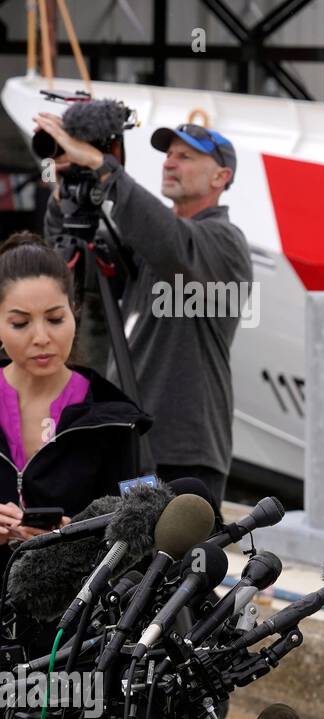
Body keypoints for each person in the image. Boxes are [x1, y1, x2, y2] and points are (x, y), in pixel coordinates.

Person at [36, 112, 251, 507]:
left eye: (186, 157)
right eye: (169, 154)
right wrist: (63, 190)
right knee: (132, 562)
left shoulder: (224, 243)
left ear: (220, 177)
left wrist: (106, 169)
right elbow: (70, 265)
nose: (170, 162)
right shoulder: (152, 242)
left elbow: (173, 245)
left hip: (185, 452)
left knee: (182, 564)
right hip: (135, 443)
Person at [0, 231, 151, 590]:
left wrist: (79, 537)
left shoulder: (114, 419)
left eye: (54, 319)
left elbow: (140, 536)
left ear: (75, 313)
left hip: (72, 628)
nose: (41, 337)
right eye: (20, 323)